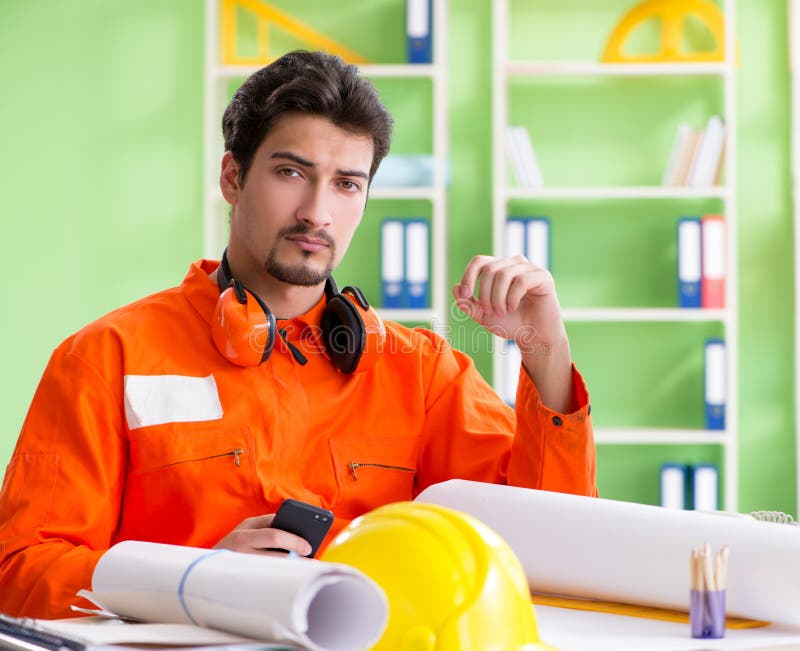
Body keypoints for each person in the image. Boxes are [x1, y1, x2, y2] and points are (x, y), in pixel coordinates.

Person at [0, 50, 596, 619]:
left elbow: (550, 548)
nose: (317, 212)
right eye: (291, 172)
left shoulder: (421, 372)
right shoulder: (106, 358)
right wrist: (191, 579)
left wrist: (544, 351)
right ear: (232, 177)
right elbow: (21, 571)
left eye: (346, 184)